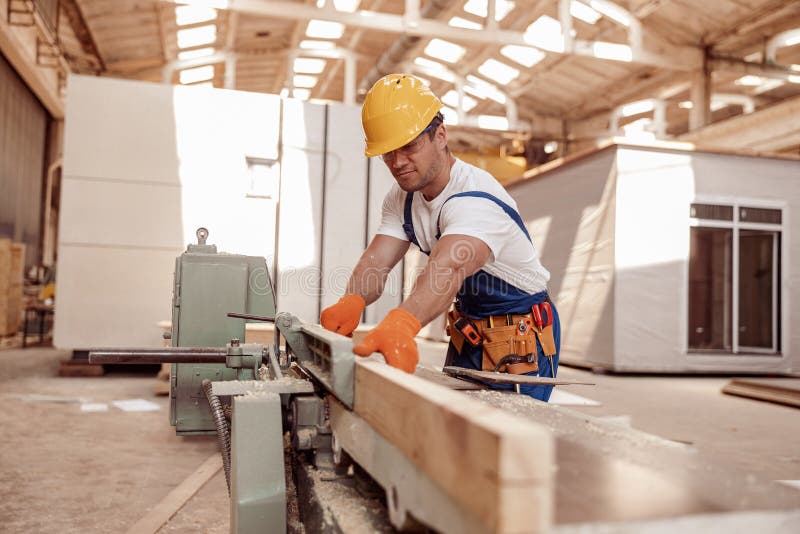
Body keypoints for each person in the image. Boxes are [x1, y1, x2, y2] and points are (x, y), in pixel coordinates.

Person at [320, 73, 560, 401]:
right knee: (453, 425)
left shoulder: (475, 199)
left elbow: (447, 268)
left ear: (441, 135)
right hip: (470, 329)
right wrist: (353, 300)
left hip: (521, 334)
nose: (398, 162)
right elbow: (377, 261)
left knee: (506, 439)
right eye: (388, 152)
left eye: (409, 146)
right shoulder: (402, 197)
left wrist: (404, 322)